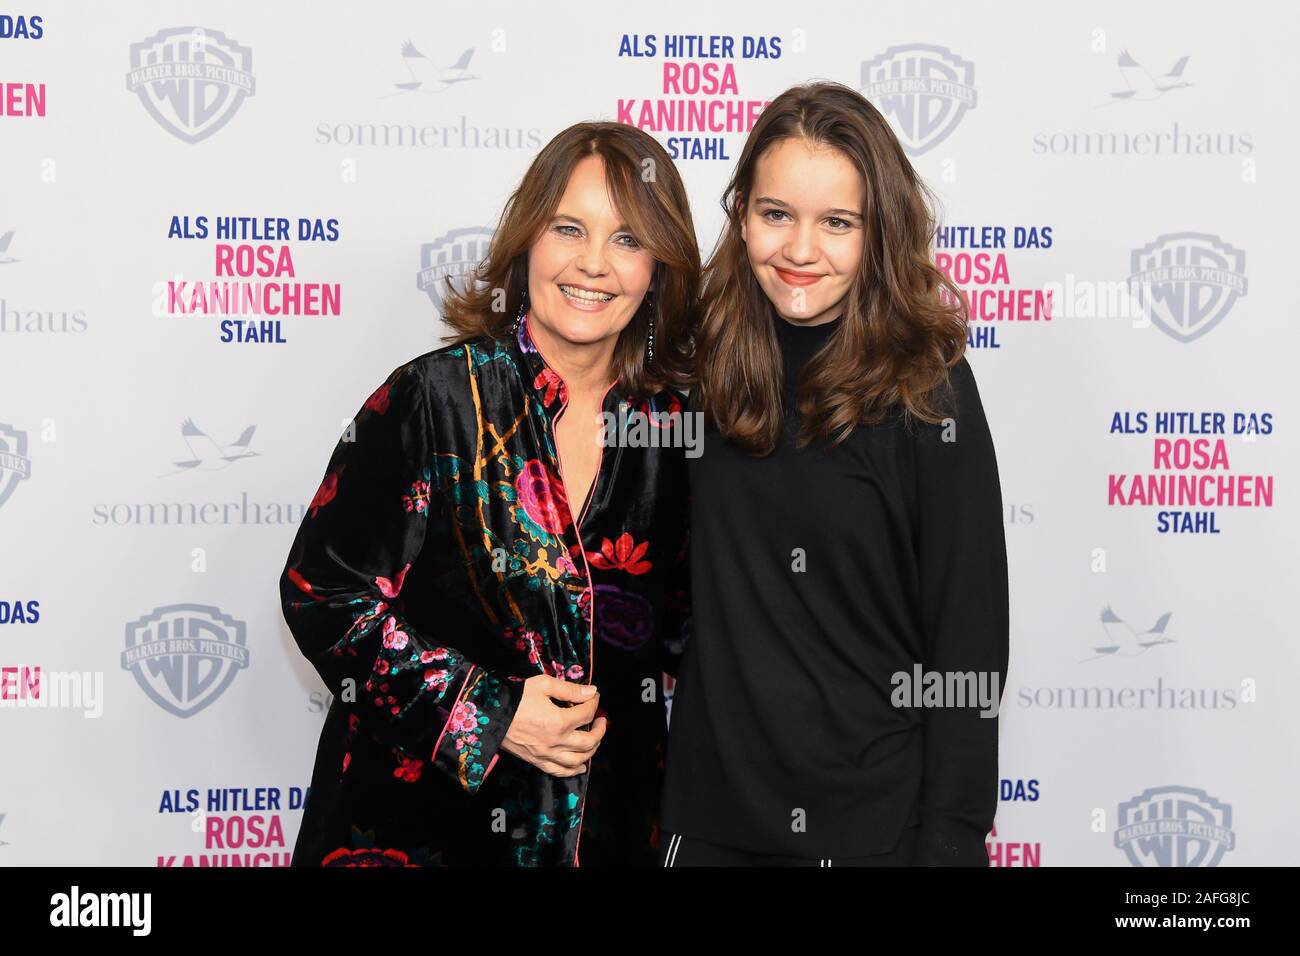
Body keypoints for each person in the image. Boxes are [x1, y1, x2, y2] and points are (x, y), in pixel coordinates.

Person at [280, 121, 698, 866]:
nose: (594, 264)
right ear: (528, 238)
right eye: (569, 227)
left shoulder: (678, 433)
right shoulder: (434, 398)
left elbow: (699, 636)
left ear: (660, 268)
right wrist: (488, 714)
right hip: (419, 832)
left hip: (608, 831)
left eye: (629, 240)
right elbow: (323, 594)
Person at [659, 81, 1009, 867]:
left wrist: (950, 839)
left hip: (872, 829)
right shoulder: (700, 367)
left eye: (837, 223)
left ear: (878, 233)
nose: (800, 250)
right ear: (742, 212)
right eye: (776, 214)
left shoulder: (929, 388)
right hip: (707, 820)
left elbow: (968, 637)